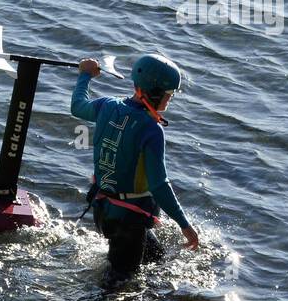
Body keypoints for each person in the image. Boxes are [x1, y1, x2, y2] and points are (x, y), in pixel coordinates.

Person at [71, 54, 199, 280]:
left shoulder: (107, 105)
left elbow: (78, 106)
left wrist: (84, 76)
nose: (170, 99)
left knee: (158, 260)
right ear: (156, 92)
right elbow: (159, 185)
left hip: (103, 211)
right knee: (119, 290)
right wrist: (184, 225)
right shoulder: (152, 129)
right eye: (169, 94)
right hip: (129, 222)